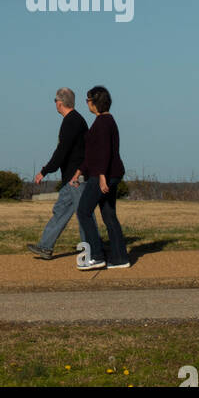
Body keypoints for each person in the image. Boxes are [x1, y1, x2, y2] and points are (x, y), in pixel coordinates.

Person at [70, 85, 130, 271]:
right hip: (108, 174)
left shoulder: (103, 123)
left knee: (84, 211)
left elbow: (104, 152)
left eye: (88, 100)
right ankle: (120, 258)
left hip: (104, 175)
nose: (86, 103)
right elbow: (92, 155)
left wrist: (102, 176)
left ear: (96, 102)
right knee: (109, 215)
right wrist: (79, 172)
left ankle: (96, 256)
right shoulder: (104, 121)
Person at [27, 88, 87, 261]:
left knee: (84, 215)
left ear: (60, 103)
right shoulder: (74, 120)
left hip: (77, 178)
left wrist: (44, 171)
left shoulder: (72, 121)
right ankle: (45, 247)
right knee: (61, 210)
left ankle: (93, 251)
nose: (54, 103)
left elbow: (62, 151)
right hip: (71, 178)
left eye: (55, 100)